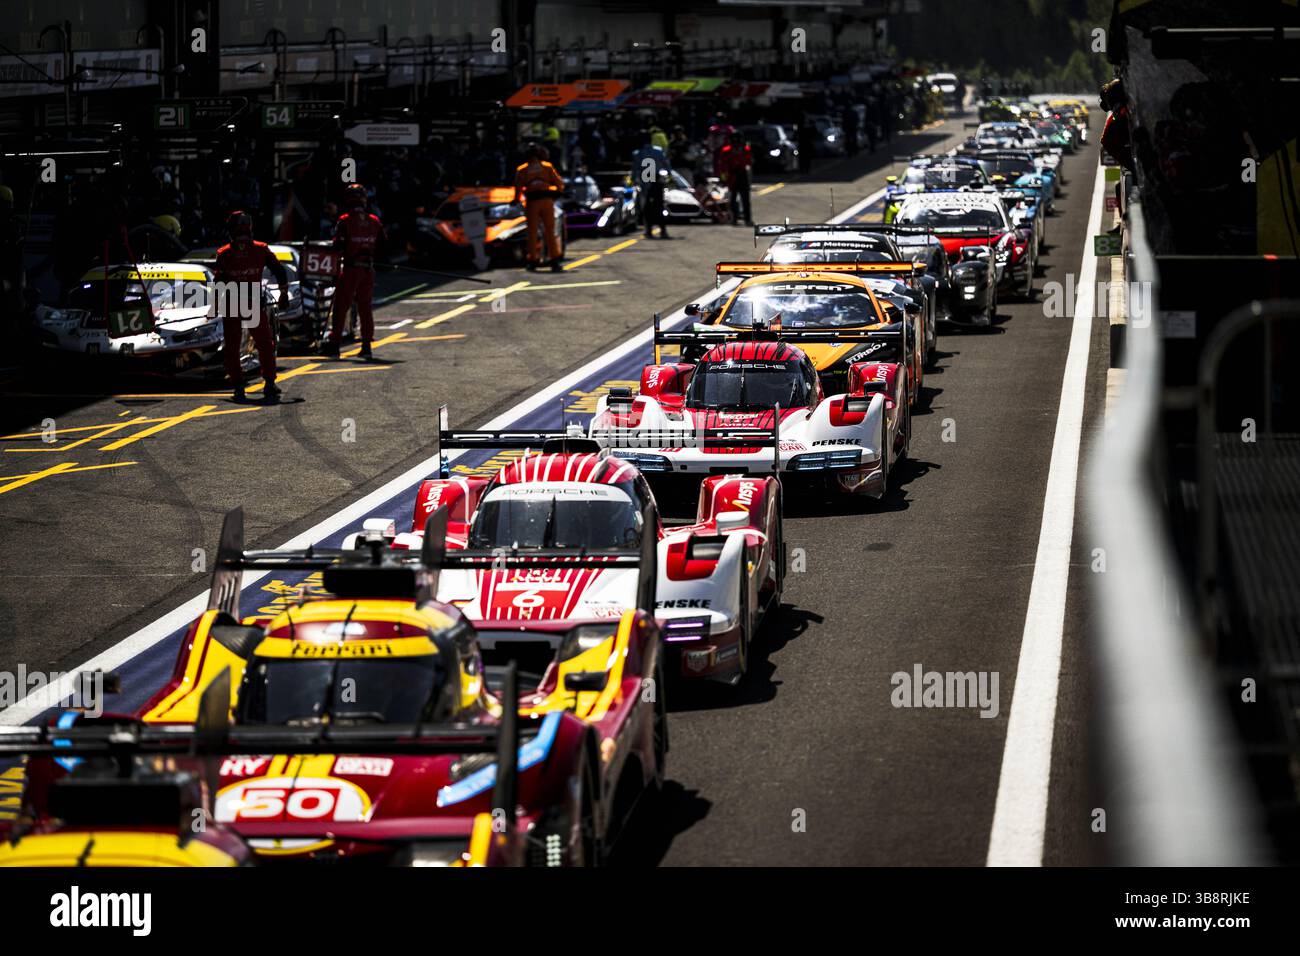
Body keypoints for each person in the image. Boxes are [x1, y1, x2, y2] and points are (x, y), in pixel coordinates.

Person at [214, 210, 287, 401]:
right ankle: (269, 384)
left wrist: (214, 306)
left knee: (232, 347)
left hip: (232, 304)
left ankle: (239, 387)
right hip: (252, 303)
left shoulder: (224, 253)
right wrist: (284, 293)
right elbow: (280, 271)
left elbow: (218, 282)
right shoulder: (261, 249)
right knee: (264, 344)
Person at [321, 184, 384, 358]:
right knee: (365, 307)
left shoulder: (345, 220)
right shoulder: (374, 220)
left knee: (341, 306)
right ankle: (366, 347)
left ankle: (334, 346)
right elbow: (384, 245)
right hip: (368, 269)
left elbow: (338, 245)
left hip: (350, 269)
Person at [511, 145, 565, 271]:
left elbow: (518, 188)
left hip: (532, 203)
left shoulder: (522, 169)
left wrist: (516, 199)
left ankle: (532, 260)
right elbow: (559, 184)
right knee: (550, 231)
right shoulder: (547, 167)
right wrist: (556, 193)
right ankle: (554, 260)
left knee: (532, 232)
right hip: (547, 202)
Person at [630, 130, 672, 239]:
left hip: (646, 181)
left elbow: (635, 170)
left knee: (646, 208)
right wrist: (668, 176)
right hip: (657, 181)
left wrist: (633, 180)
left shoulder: (638, 153)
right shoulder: (658, 151)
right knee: (659, 206)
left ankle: (649, 230)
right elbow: (667, 166)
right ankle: (663, 230)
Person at [718, 131, 753, 226]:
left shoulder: (745, 149)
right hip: (732, 176)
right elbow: (722, 166)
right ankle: (735, 218)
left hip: (742, 176)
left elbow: (748, 163)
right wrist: (724, 179)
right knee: (733, 200)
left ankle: (747, 219)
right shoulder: (726, 150)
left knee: (744, 199)